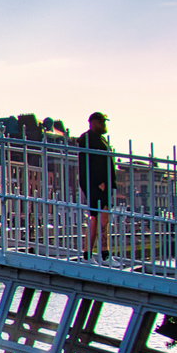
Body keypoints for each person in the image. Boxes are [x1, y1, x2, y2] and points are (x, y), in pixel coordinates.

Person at [77, 111, 117, 262]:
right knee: (100, 218)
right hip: (97, 185)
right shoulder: (88, 139)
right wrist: (99, 182)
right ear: (93, 122)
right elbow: (90, 163)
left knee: (97, 218)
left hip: (102, 184)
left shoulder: (99, 139)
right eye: (101, 122)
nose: (104, 124)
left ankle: (90, 254)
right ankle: (103, 255)